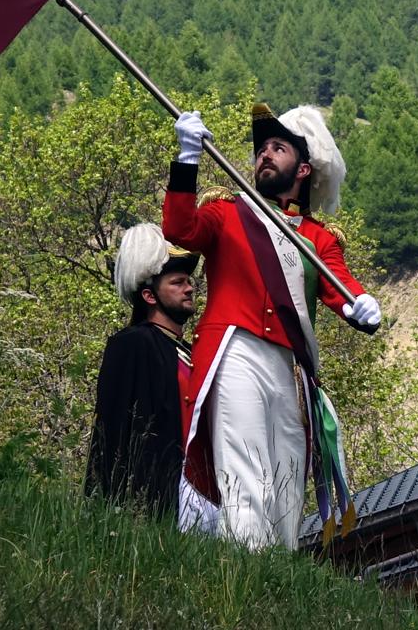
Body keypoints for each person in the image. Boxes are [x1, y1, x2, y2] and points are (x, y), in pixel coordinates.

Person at [164, 103, 380, 550]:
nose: (264, 154)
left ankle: (272, 578)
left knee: (286, 484)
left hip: (291, 371)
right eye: (261, 148)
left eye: (277, 148)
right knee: (246, 474)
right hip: (235, 349)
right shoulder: (226, 213)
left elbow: (342, 288)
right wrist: (186, 160)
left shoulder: (319, 239)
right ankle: (240, 574)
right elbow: (179, 228)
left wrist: (362, 304)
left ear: (303, 168)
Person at [84, 223, 199, 519]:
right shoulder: (132, 344)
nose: (189, 288)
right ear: (150, 296)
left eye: (189, 281)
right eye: (177, 282)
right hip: (149, 503)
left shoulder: (192, 351)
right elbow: (112, 433)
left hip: (195, 499)